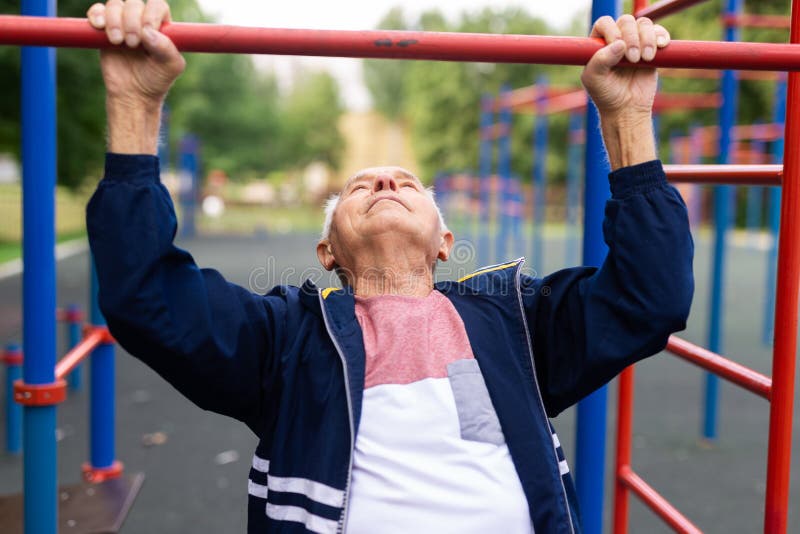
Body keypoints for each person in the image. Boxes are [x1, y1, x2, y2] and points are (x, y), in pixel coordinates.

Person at [84, 1, 694, 533]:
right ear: (328, 253)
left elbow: (651, 298)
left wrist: (627, 118)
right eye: (360, 187)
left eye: (408, 183)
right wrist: (135, 104)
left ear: (444, 242)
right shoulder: (287, 344)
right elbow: (146, 296)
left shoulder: (518, 328)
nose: (384, 179)